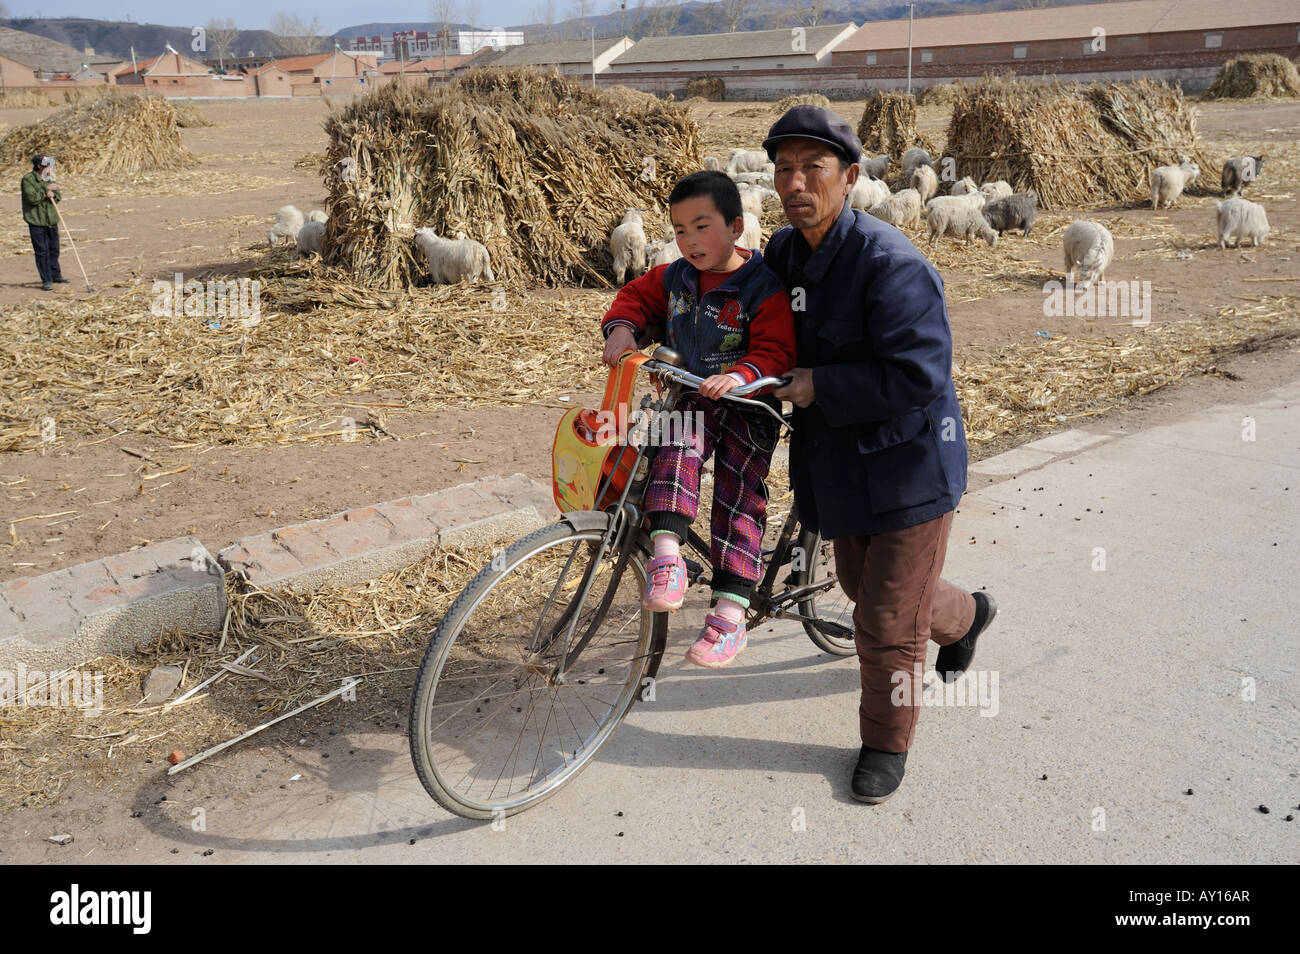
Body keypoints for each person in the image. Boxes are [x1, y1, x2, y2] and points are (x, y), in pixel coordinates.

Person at [764, 106, 999, 803]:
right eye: (784, 169)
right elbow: (740, 304)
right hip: (841, 462)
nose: (795, 182)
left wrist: (818, 383)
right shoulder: (785, 252)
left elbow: (919, 375)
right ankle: (968, 615)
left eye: (814, 167)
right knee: (867, 589)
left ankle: (885, 743)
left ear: (851, 176)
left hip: (909, 466)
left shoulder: (892, 265)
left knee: (888, 619)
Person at [600, 171, 796, 668]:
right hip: (692, 396)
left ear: (735, 227)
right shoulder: (675, 277)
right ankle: (668, 558)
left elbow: (777, 348)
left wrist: (741, 374)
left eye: (702, 226)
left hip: (749, 408)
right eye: (680, 229)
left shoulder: (762, 286)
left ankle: (729, 615)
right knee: (673, 449)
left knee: (738, 497)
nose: (689, 241)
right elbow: (635, 298)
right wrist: (622, 330)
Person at [21, 154, 68, 291]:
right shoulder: (28, 179)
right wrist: (46, 191)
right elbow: (32, 198)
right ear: (39, 166)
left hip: (51, 220)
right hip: (37, 221)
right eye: (48, 165)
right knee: (42, 251)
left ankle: (55, 275)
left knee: (54, 249)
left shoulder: (49, 178)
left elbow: (57, 196)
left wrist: (55, 193)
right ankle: (46, 280)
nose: (50, 168)